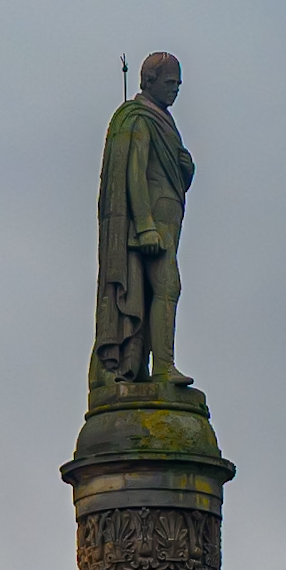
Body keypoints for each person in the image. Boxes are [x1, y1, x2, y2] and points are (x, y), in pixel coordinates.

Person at [91, 52, 196, 389]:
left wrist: (186, 167)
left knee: (158, 292)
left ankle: (152, 366)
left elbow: (168, 176)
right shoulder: (137, 118)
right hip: (147, 231)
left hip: (167, 227)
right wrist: (146, 224)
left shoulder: (164, 122)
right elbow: (134, 174)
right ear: (149, 80)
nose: (175, 89)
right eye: (169, 82)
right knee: (167, 286)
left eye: (178, 84)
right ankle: (163, 368)